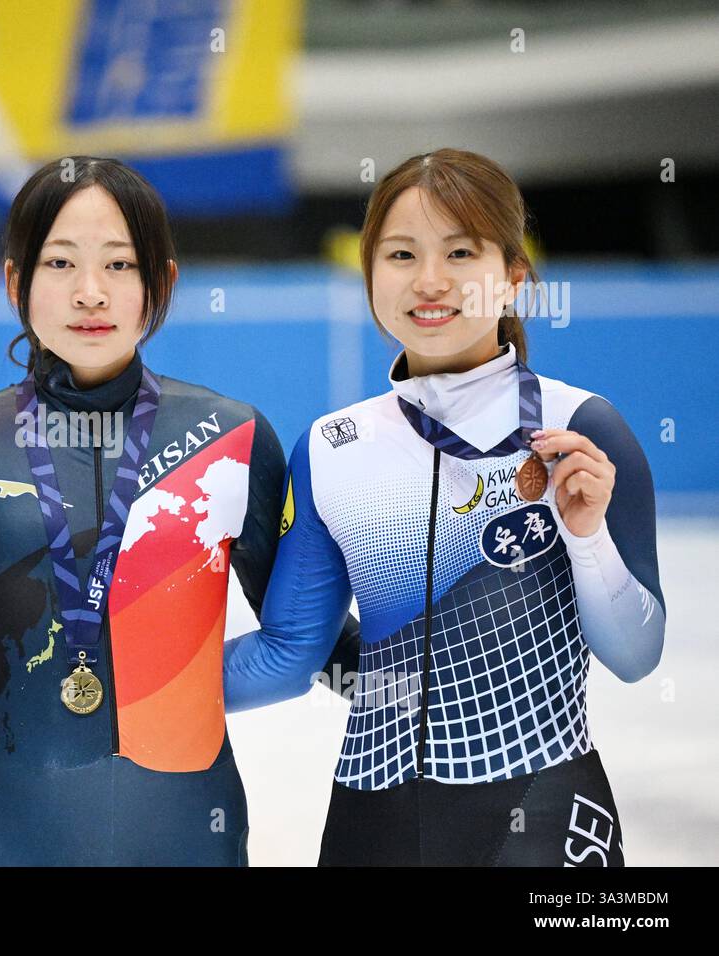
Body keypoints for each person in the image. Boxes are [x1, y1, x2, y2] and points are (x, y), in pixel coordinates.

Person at [0, 156, 360, 866]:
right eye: (60, 264)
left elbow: (302, 639)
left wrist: (418, 689)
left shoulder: (233, 440)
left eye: (120, 266)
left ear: (163, 283)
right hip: (14, 833)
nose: (90, 293)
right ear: (15, 282)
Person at [224, 148, 666, 866]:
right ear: (369, 275)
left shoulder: (580, 428)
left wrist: (587, 538)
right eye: (401, 254)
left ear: (514, 276)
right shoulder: (332, 448)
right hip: (372, 821)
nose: (430, 281)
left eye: (460, 252)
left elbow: (637, 657)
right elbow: (286, 659)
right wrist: (101, 689)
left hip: (543, 813)